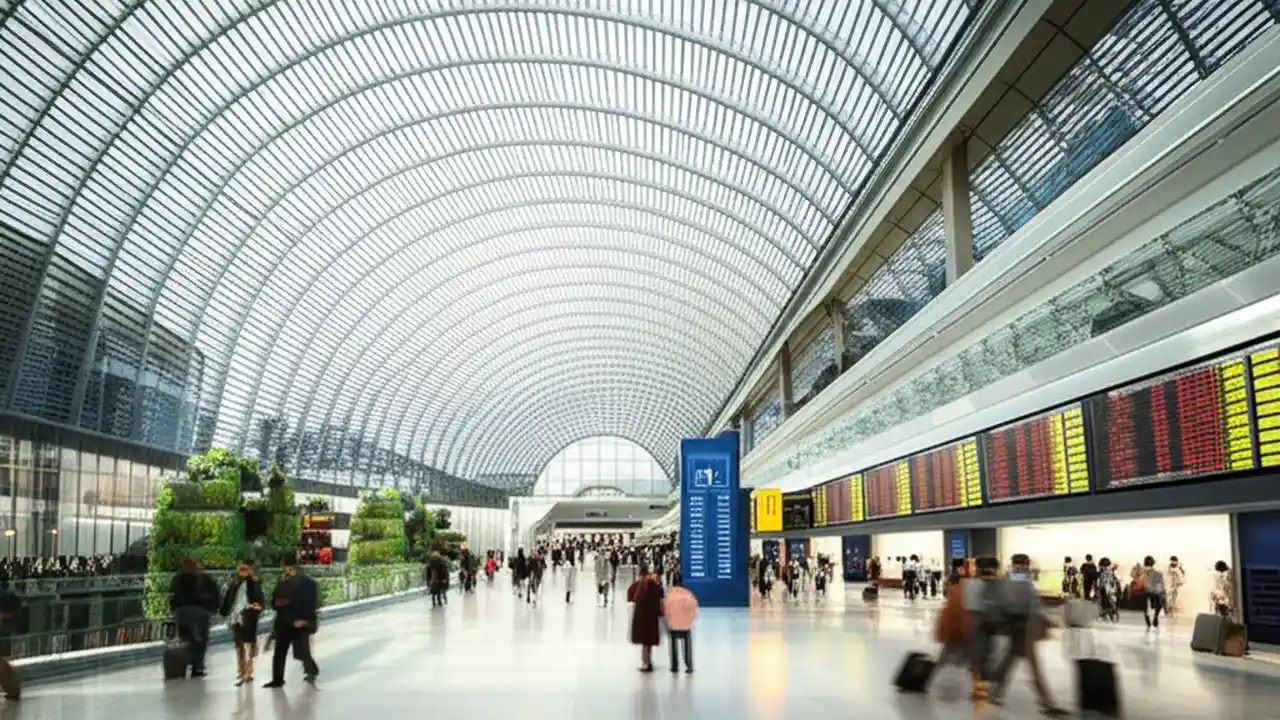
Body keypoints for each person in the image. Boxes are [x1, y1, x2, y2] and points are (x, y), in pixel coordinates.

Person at [989, 554, 1067, 717]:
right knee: (1032, 668)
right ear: (1023, 564)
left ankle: (993, 692)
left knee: (1008, 663)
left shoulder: (1012, 578)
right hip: (1023, 629)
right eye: (1024, 564)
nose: (1025, 567)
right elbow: (1028, 603)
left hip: (1017, 628)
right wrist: (1045, 619)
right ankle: (1047, 704)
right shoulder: (1019, 579)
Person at [263, 564, 319, 688]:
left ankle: (278, 679)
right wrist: (307, 620)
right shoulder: (309, 583)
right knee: (301, 650)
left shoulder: (285, 583)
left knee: (281, 652)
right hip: (296, 622)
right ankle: (311, 670)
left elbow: (275, 603)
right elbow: (313, 604)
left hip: (287, 621)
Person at [170, 558, 220, 678]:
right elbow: (215, 593)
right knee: (200, 639)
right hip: (200, 612)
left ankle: (182, 664)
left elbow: (174, 594)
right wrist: (215, 608)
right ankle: (197, 666)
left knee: (184, 638)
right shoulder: (204, 578)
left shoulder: (178, 578)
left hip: (182, 612)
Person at [220, 561, 265, 686]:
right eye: (241, 570)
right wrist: (225, 612)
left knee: (248, 644)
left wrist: (256, 606)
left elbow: (260, 600)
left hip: (249, 616)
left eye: (245, 570)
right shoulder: (234, 584)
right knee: (239, 644)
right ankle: (241, 670)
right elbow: (227, 600)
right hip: (236, 617)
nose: (243, 572)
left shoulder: (253, 584)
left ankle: (248, 671)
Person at [628, 567, 664, 672]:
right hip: (651, 619)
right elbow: (659, 599)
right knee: (648, 643)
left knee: (645, 643)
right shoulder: (654, 587)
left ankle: (645, 663)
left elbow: (633, 598)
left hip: (643, 619)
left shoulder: (641, 586)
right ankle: (649, 662)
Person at [662, 576, 698, 673]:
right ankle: (689, 665)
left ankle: (674, 666)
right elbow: (694, 609)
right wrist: (691, 621)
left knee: (673, 645)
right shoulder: (689, 595)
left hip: (673, 625)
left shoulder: (669, 596)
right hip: (686, 625)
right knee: (687, 645)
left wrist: (668, 622)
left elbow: (665, 611)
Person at [1141, 555, 1165, 629]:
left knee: (1157, 600)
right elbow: (1160, 585)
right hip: (1151, 592)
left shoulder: (1144, 572)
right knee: (1159, 600)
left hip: (1150, 592)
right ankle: (1154, 616)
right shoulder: (1156, 573)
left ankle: (1152, 616)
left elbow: (1160, 584)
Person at [1096, 558, 1120, 623]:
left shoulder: (1107, 572)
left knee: (1109, 604)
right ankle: (1109, 616)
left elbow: (1112, 582)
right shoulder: (1108, 572)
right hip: (1107, 590)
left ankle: (1109, 616)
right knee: (1108, 604)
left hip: (1109, 591)